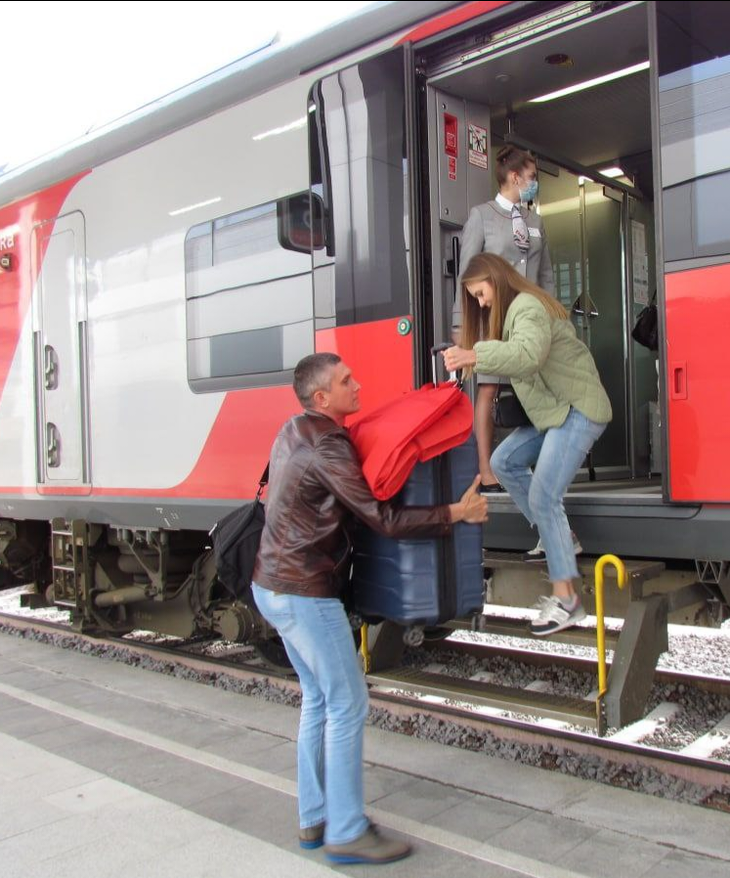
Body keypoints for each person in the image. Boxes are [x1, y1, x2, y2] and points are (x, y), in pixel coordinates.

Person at [251, 353, 488, 864]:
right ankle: (347, 831)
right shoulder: (329, 446)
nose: (357, 386)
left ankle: (315, 820)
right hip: (303, 592)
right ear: (322, 400)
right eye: (345, 382)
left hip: (271, 584)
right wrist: (455, 511)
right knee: (348, 702)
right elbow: (383, 519)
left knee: (318, 699)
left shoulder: (294, 430)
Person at [441, 253, 611, 636]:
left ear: (496, 281)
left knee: (544, 497)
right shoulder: (513, 313)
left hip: (578, 409)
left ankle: (568, 601)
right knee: (504, 461)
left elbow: (528, 356)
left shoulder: (527, 308)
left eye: (481, 295)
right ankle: (560, 536)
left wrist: (475, 353)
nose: (481, 304)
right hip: (556, 412)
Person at [455, 145, 554, 494]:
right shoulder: (482, 216)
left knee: (537, 385)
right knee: (488, 388)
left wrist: (554, 318)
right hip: (492, 317)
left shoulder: (536, 221)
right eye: (532, 178)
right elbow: (468, 274)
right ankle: (486, 470)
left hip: (529, 319)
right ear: (515, 177)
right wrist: (460, 325)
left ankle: (531, 466)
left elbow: (545, 275)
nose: (534, 183)